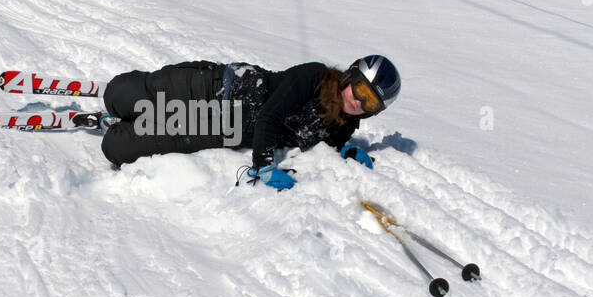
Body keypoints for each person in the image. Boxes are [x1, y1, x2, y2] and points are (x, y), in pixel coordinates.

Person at [92, 55, 400, 189]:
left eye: (369, 102)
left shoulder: (343, 126)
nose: (359, 101)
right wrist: (265, 165)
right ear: (349, 76)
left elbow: (326, 148)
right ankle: (121, 107)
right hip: (219, 87)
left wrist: (346, 153)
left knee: (118, 147)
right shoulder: (315, 77)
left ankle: (124, 123)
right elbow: (271, 115)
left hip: (220, 128)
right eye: (360, 89)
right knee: (120, 93)